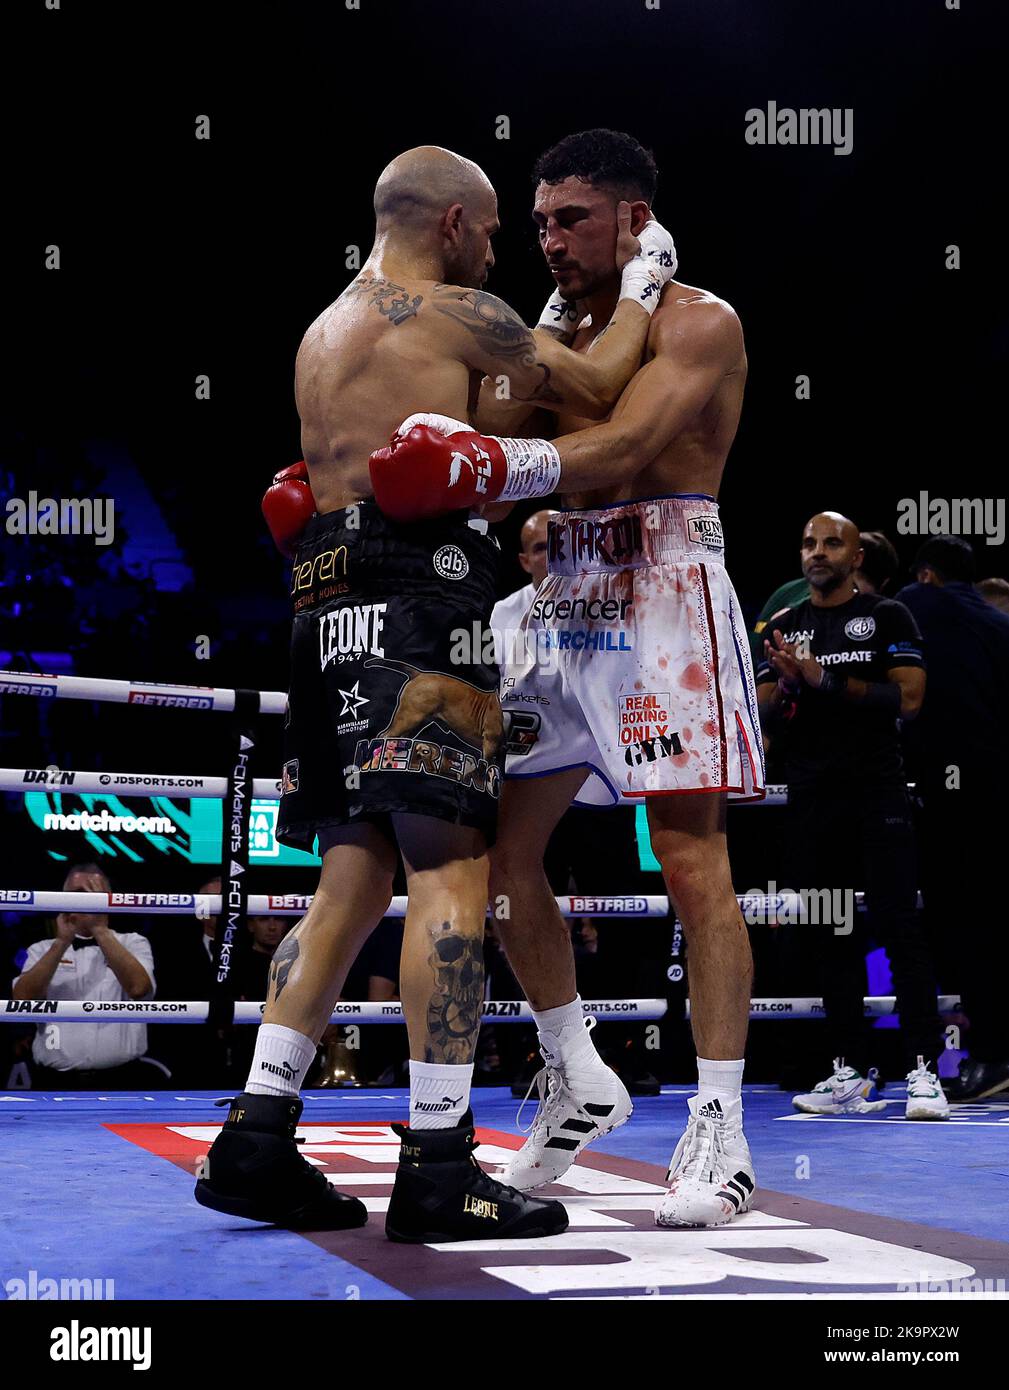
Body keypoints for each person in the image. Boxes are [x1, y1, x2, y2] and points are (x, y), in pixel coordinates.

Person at [197, 143, 679, 1241]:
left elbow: (454, 436)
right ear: (456, 224)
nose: (513, 247)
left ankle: (257, 1134)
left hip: (323, 603)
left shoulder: (323, 331)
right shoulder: (457, 306)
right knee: (452, 865)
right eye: (501, 227)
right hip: (424, 594)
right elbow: (602, 388)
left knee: (350, 880)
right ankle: (438, 1161)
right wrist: (643, 278)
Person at [370, 128, 766, 1227]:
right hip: (562, 607)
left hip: (665, 592)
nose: (547, 239)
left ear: (636, 219)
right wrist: (520, 374)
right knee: (494, 860)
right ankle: (573, 1063)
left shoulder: (699, 321)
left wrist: (497, 462)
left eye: (571, 218)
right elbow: (490, 428)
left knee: (691, 860)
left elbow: (628, 447)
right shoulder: (561, 328)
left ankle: (720, 1127)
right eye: (537, 220)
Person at [756, 512, 947, 1119]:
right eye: (809, 542)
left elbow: (909, 700)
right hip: (813, 797)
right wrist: (788, 683)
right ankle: (849, 1072)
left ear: (856, 556)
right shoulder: (787, 626)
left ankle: (923, 1070)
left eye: (831, 543)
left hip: (878, 794)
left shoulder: (889, 615)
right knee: (828, 933)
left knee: (899, 927)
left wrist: (825, 679)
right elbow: (761, 706)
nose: (818, 552)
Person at [896, 536, 1009, 1099]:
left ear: (927, 575)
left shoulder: (918, 602)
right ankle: (989, 1052)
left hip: (949, 795)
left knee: (962, 925)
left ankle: (989, 1055)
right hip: (993, 794)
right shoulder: (996, 623)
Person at [12, 863, 158, 1090]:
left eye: (92, 895)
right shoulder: (41, 949)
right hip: (54, 1081)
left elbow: (139, 989)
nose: (85, 901)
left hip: (123, 1079)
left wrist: (100, 929)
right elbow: (21, 1001)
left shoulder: (133, 942)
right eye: (77, 894)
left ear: (108, 898)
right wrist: (61, 943)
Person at [490, 509, 556, 635]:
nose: (552, 554)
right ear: (526, 562)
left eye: (559, 543)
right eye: (541, 548)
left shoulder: (599, 603)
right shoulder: (502, 614)